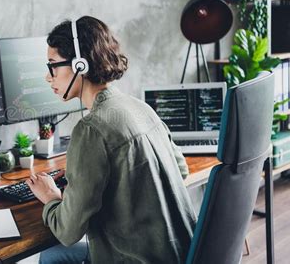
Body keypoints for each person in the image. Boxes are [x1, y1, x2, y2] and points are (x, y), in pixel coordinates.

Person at [26, 16, 197, 264]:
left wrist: (51, 196)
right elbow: (180, 170)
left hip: (137, 259)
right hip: (180, 254)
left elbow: (68, 231)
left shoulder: (91, 129)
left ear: (80, 66)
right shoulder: (141, 108)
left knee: (50, 257)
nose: (48, 76)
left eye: (53, 64)